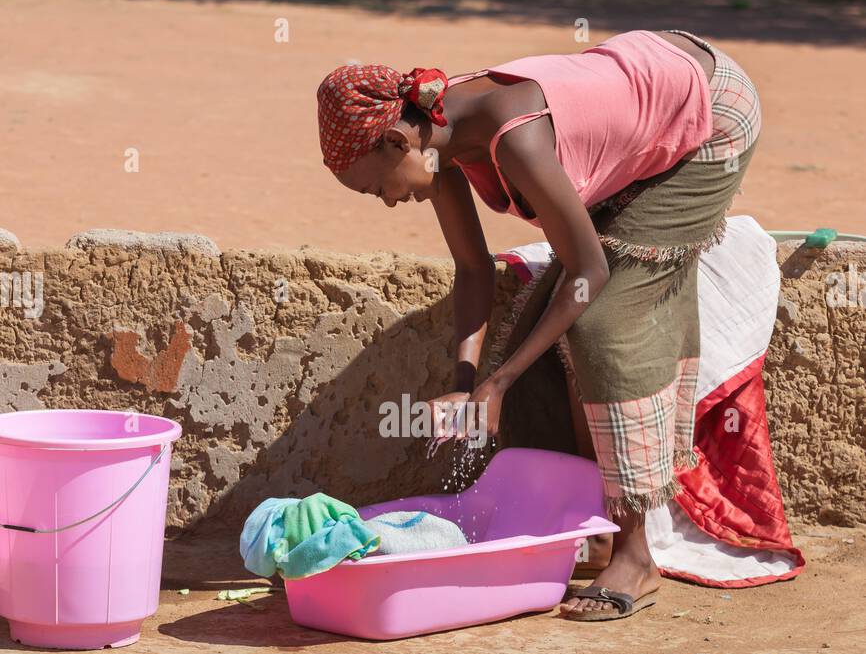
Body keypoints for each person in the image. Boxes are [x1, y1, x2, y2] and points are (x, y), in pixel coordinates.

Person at [316, 31, 762, 620]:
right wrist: (465, 379)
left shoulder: (516, 139)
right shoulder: (437, 137)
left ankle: (636, 553)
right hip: (649, 85)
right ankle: (593, 524)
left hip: (710, 110)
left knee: (603, 326)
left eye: (376, 186)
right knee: (535, 324)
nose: (387, 201)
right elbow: (473, 269)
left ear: (399, 141)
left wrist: (497, 386)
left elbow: (589, 271)